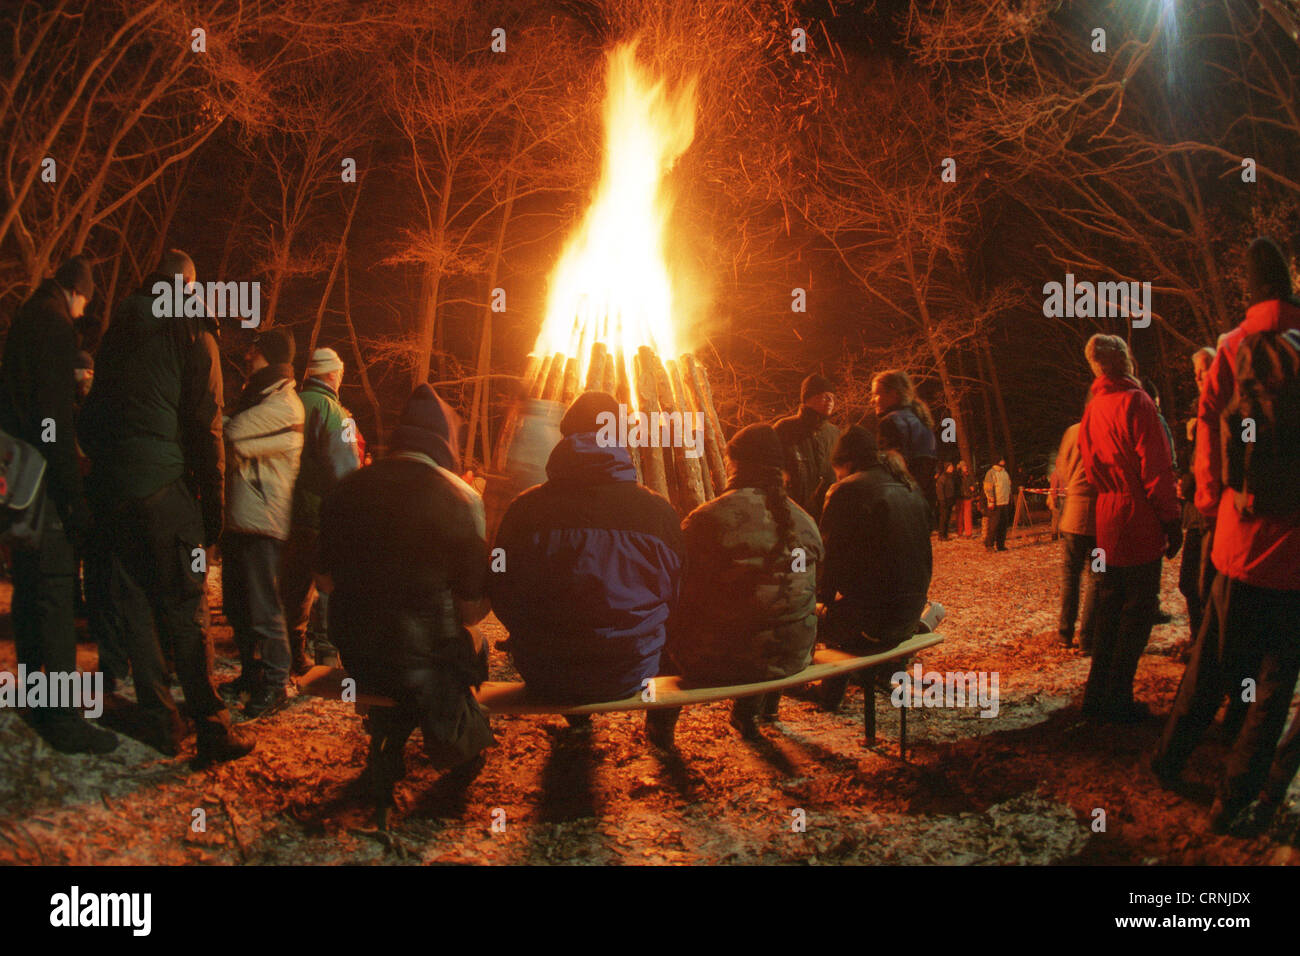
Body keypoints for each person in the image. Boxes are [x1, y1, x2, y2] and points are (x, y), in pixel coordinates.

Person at [77, 249, 253, 767]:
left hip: (113, 494)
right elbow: (206, 426)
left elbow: (88, 423)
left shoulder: (116, 330)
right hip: (165, 492)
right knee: (185, 604)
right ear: (190, 286)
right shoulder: (195, 331)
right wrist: (213, 506)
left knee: (134, 608)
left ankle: (159, 720)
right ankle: (211, 728)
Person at [1153, 237, 1300, 833]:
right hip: (1298, 554)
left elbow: (1208, 438)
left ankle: (1169, 760)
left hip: (1240, 544)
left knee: (1213, 665)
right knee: (1274, 687)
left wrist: (1216, 507)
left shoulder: (1232, 348)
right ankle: (1233, 801)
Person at [316, 384, 493, 786]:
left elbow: (324, 582)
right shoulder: (463, 500)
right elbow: (470, 609)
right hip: (427, 662)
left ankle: (386, 738)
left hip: (358, 652)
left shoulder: (344, 491)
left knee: (393, 648)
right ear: (446, 442)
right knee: (470, 641)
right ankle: (453, 740)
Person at [490, 391, 684, 708]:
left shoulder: (523, 510)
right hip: (630, 671)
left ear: (564, 438)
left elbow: (499, 579)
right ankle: (659, 734)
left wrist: (526, 632)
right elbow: (675, 591)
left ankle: (576, 720)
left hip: (545, 672)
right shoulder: (659, 513)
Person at [0, 255, 117, 754]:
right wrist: (71, 497)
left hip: (18, 476)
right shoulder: (54, 327)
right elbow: (54, 419)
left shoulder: (25, 320)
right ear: (76, 292)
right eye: (85, 300)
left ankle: (31, 692)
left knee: (29, 587)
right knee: (54, 593)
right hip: (43, 480)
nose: (83, 309)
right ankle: (64, 716)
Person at [646, 424, 822, 746]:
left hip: (722, 660)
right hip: (793, 655)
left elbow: (676, 590)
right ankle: (751, 712)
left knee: (670, 624)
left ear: (733, 463)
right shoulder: (805, 521)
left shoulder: (709, 520)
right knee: (767, 614)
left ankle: (660, 729)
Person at [1076, 334, 1180, 725]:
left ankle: (1096, 695)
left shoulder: (1093, 408)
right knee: (1137, 610)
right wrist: (1170, 520)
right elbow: (1155, 469)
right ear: (1125, 360)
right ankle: (1118, 696)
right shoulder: (1137, 402)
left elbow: (1089, 467)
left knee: (1108, 606)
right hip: (1138, 519)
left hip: (1106, 520)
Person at [218, 328, 304, 717]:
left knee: (264, 607)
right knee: (237, 605)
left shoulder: (285, 404)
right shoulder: (261, 396)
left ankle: (275, 683)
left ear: (270, 356)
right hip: (242, 517)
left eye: (256, 351)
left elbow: (231, 435)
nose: (249, 355)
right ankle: (251, 674)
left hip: (264, 519)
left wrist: (215, 423)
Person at [817, 426, 932, 711]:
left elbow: (828, 563)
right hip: (910, 615)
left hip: (872, 624)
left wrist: (819, 602)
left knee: (808, 617)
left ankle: (826, 695)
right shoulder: (908, 487)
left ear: (845, 462)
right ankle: (877, 674)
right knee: (863, 606)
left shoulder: (846, 490)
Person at [280, 347, 361, 675]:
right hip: (318, 514)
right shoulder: (335, 413)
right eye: (339, 373)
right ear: (331, 374)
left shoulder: (290, 403)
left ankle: (287, 651)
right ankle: (326, 654)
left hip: (284, 510)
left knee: (292, 585)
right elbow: (345, 468)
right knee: (328, 581)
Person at [1054, 421, 1098, 651]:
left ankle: (1065, 633)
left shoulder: (1072, 431)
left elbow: (1061, 469)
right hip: (1099, 523)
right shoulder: (1108, 429)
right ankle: (1088, 636)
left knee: (1071, 575)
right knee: (1097, 576)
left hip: (1073, 518)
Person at [870, 369, 938, 516]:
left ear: (893, 394)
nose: (872, 400)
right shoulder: (922, 423)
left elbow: (890, 473)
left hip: (901, 506)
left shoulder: (891, 422)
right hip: (922, 504)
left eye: (877, 394)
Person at [773, 373, 839, 518]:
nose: (830, 401)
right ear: (809, 398)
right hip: (793, 513)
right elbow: (773, 471)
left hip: (827, 513)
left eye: (833, 397)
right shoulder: (785, 429)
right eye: (824, 396)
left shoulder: (834, 433)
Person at [982, 457, 1012, 551]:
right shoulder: (991, 473)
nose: (1003, 462)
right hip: (996, 503)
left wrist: (1009, 498)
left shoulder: (1005, 473)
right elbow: (988, 488)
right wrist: (991, 501)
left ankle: (1000, 544)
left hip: (1004, 502)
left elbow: (1008, 486)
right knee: (993, 525)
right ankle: (989, 544)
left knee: (1003, 525)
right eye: (1002, 460)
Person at [936, 462, 956, 540]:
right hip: (944, 500)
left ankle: (945, 534)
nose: (952, 468)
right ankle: (941, 535)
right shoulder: (943, 477)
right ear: (947, 468)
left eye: (952, 467)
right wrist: (942, 500)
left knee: (947, 518)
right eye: (950, 467)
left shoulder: (950, 477)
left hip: (949, 499)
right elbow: (940, 490)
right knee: (943, 518)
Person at [955, 460, 973, 537]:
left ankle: (968, 533)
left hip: (967, 497)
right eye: (964, 466)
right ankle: (960, 531)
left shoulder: (969, 476)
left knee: (968, 515)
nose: (965, 467)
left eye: (966, 466)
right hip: (960, 497)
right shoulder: (958, 477)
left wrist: (973, 487)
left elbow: (974, 483)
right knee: (959, 516)